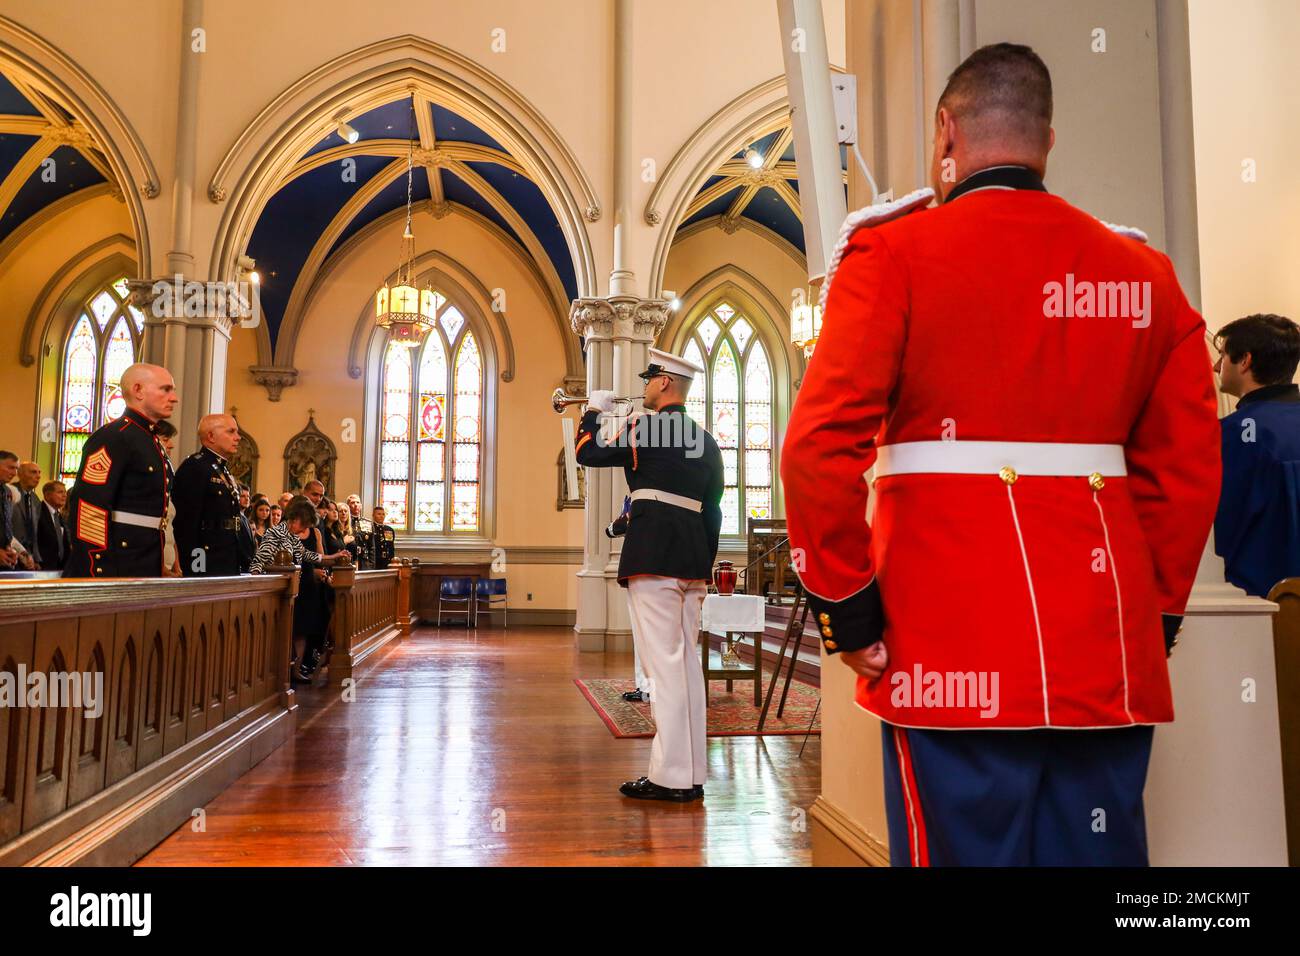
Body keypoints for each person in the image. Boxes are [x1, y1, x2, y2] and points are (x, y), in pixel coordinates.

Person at [781, 43, 1220, 866]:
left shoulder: (893, 256)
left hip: (946, 639)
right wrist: (1151, 614)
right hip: (1105, 646)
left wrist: (851, 604)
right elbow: (1188, 469)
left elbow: (814, 450)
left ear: (946, 132)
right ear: (1048, 140)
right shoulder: (1145, 275)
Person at [575, 347, 724, 802]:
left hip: (653, 556)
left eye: (648, 380)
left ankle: (671, 776)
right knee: (686, 666)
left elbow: (588, 454)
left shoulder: (644, 426)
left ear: (663, 383)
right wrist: (703, 566)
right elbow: (713, 510)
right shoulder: (707, 440)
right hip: (692, 564)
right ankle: (692, 769)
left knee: (663, 667)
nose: (642, 389)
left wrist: (592, 412)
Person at [65, 363, 179, 577]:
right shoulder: (114, 436)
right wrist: (96, 566)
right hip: (116, 563)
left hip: (143, 561)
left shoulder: (149, 439)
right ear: (138, 390)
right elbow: (90, 507)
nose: (174, 398)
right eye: (165, 389)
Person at [249, 495, 348, 684]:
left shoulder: (292, 536)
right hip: (278, 590)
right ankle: (279, 673)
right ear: (294, 519)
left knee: (302, 629)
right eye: (303, 525)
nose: (304, 530)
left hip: (295, 589)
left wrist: (334, 557)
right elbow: (258, 563)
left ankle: (294, 670)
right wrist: (256, 585)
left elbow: (308, 555)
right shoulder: (276, 533)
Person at [171, 414, 243, 577]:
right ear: (211, 436)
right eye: (231, 432)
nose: (237, 438)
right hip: (207, 560)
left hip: (227, 557)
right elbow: (187, 526)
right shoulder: (195, 467)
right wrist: (197, 569)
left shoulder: (222, 469)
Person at [155, 419, 182, 577]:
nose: (171, 445)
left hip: (169, 563)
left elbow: (169, 528)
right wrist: (162, 567)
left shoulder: (166, 476)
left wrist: (176, 565)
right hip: (155, 565)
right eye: (165, 439)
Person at [9, 461, 44, 568]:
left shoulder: (35, 499)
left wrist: (36, 558)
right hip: (11, 554)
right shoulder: (9, 492)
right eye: (33, 472)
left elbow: (35, 531)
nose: (38, 476)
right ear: (20, 474)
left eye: (39, 473)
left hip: (29, 558)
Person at [0, 450, 31, 570]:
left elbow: (5, 526)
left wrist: (11, 549)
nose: (14, 473)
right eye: (11, 468)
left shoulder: (8, 492)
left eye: (17, 469)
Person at [36, 480, 71, 572]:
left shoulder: (59, 516)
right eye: (60, 492)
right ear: (47, 495)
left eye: (65, 492)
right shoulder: (38, 512)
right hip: (41, 568)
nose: (64, 495)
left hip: (58, 568)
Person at [349, 495, 374, 569]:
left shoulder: (368, 523)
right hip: (349, 559)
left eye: (358, 502)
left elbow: (372, 546)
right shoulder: (344, 522)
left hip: (364, 561)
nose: (356, 504)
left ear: (361, 506)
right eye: (353, 502)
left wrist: (372, 565)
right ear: (348, 506)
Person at [368, 505, 395, 569]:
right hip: (374, 560)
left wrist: (392, 561)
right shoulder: (369, 528)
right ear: (373, 515)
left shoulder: (389, 530)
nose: (381, 516)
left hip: (386, 561)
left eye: (383, 514)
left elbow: (391, 547)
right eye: (379, 514)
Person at [236, 484, 255, 572]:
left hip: (247, 566)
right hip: (240, 565)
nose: (247, 499)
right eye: (243, 496)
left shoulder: (245, 518)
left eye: (248, 496)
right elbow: (238, 542)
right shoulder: (236, 517)